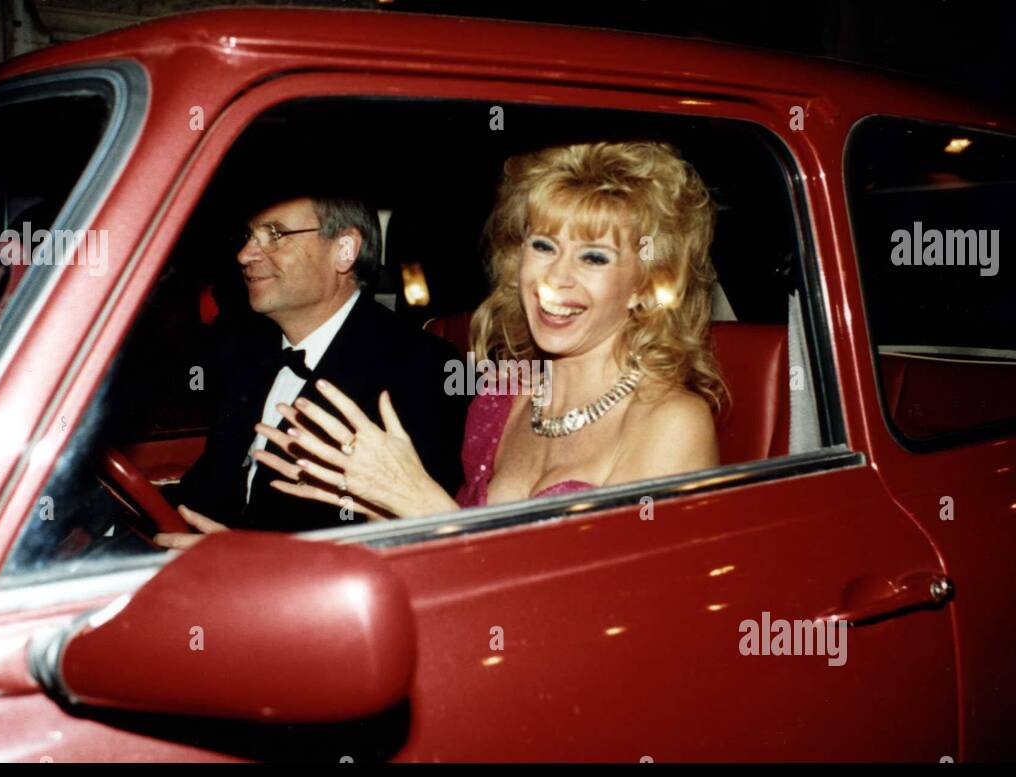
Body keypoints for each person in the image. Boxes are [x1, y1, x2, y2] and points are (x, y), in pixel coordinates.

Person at [250, 141, 728, 520]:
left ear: (645, 284)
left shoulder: (672, 423)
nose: (553, 280)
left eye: (594, 257)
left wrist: (420, 503)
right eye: (542, 246)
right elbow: (455, 553)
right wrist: (366, 511)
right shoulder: (504, 396)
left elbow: (615, 616)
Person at [154, 195, 467, 548]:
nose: (245, 255)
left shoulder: (421, 367)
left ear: (345, 250)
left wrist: (252, 562)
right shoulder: (248, 355)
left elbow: (416, 542)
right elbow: (208, 490)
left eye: (275, 234)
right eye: (248, 237)